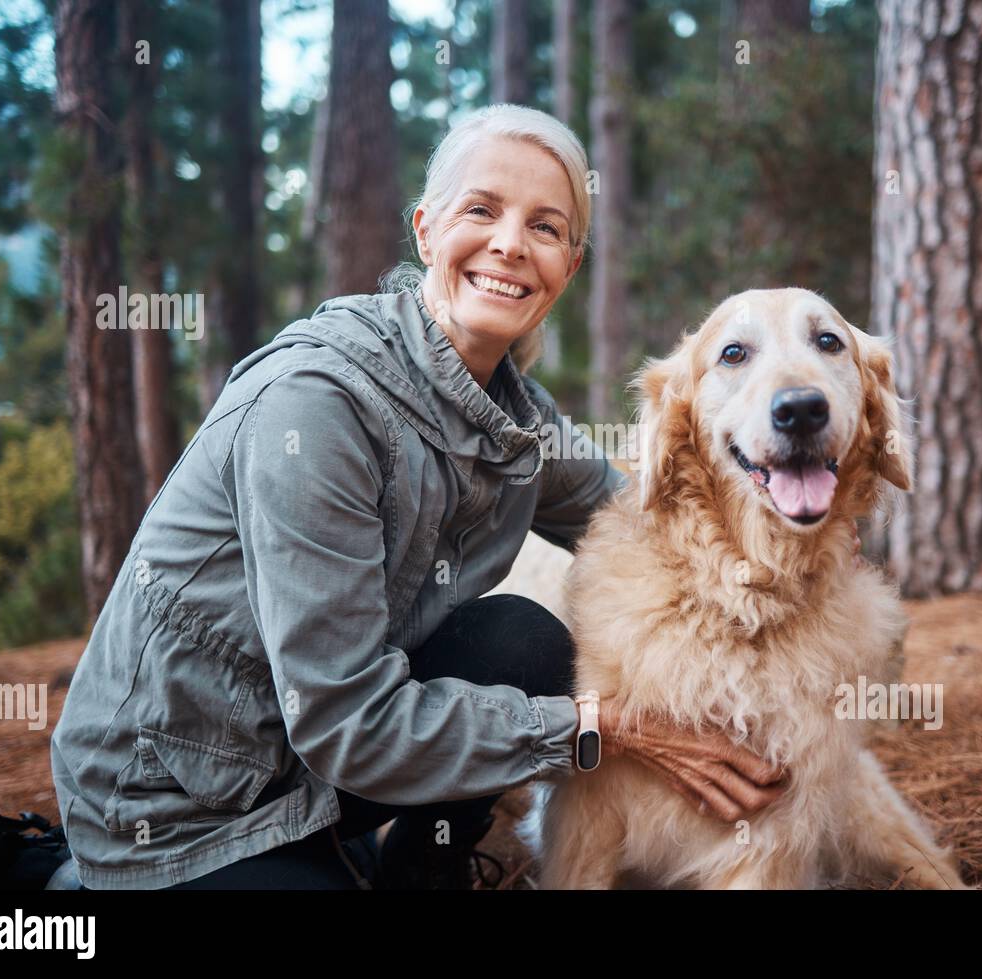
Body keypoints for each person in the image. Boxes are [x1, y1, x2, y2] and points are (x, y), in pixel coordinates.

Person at [49, 104, 787, 890]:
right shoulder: (317, 407)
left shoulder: (518, 417)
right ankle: (93, 886)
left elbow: (650, 520)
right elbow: (347, 724)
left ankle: (410, 871)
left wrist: (784, 491)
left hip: (308, 761)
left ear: (569, 266)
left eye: (545, 226)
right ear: (426, 230)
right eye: (482, 210)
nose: (509, 243)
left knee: (521, 641)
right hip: (179, 796)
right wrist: (606, 728)